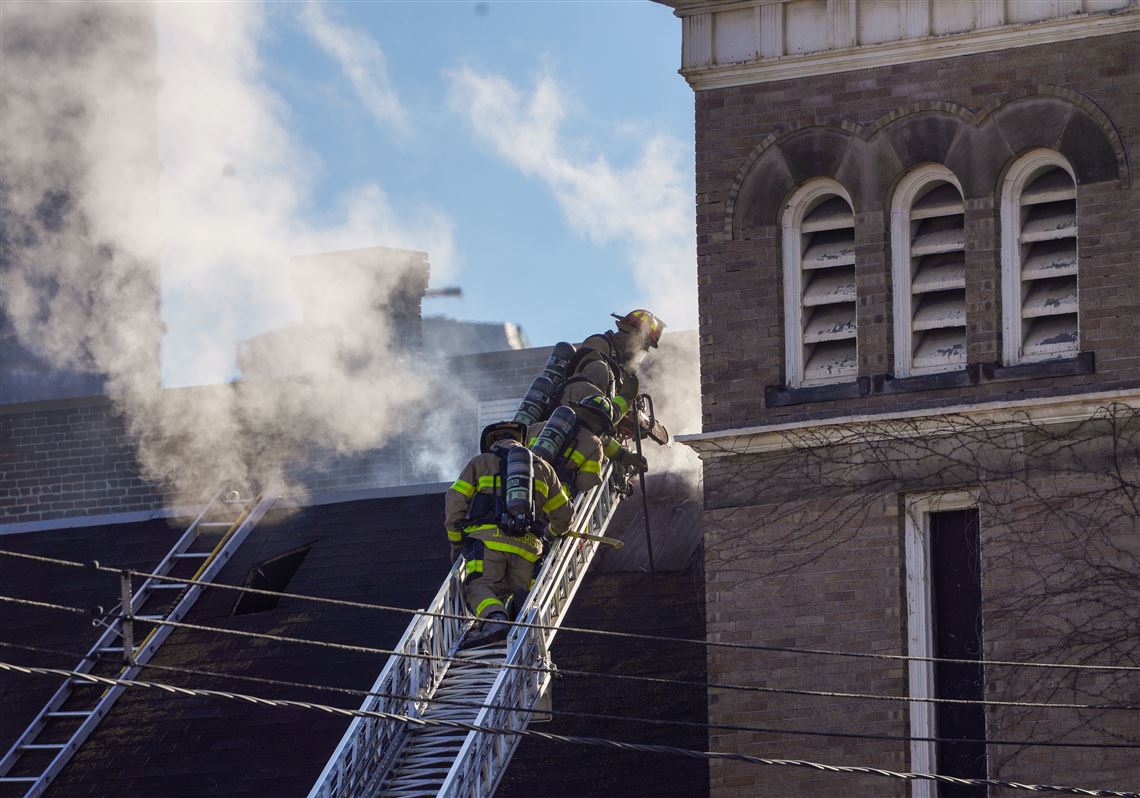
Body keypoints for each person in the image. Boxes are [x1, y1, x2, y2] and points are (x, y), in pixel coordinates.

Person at [445, 421, 572, 646]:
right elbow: (564, 516)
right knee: (517, 590)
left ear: (492, 442)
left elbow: (454, 504)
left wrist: (457, 546)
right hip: (528, 547)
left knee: (478, 587)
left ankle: (494, 621)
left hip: (487, 543)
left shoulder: (480, 463)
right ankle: (516, 612)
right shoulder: (544, 469)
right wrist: (550, 533)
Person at [575, 309, 666, 422]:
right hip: (575, 415)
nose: (641, 352)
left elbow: (611, 408)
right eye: (643, 346)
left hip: (597, 424)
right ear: (632, 338)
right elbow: (592, 400)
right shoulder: (599, 345)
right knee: (600, 368)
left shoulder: (624, 368)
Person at [527, 394, 612, 497]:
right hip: (553, 497)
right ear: (602, 425)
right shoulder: (595, 444)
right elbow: (585, 482)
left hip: (522, 483)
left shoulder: (540, 426)